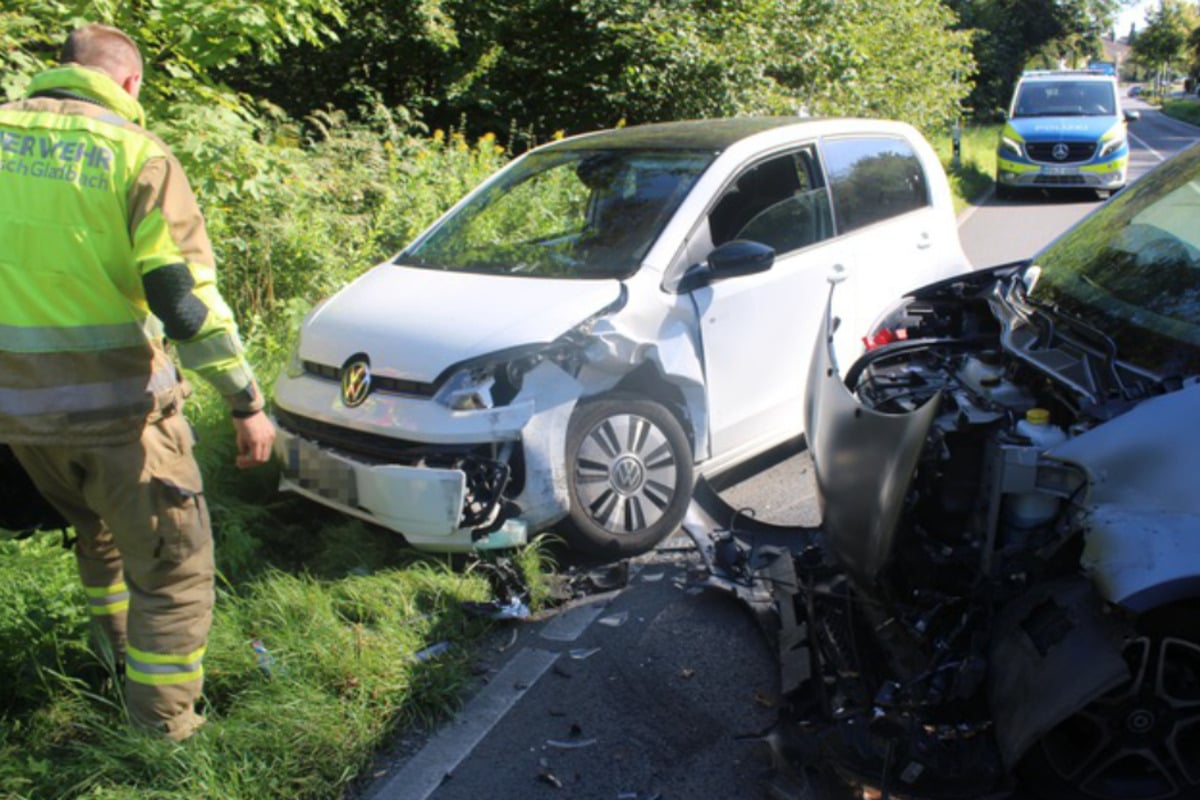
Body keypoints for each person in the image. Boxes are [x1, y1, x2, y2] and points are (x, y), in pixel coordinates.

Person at [0, 22, 275, 741]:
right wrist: (245, 400)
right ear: (129, 83)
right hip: (120, 417)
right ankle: (164, 734)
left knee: (98, 536)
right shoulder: (136, 154)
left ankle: (114, 657)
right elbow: (183, 303)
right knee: (175, 572)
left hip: (18, 420)